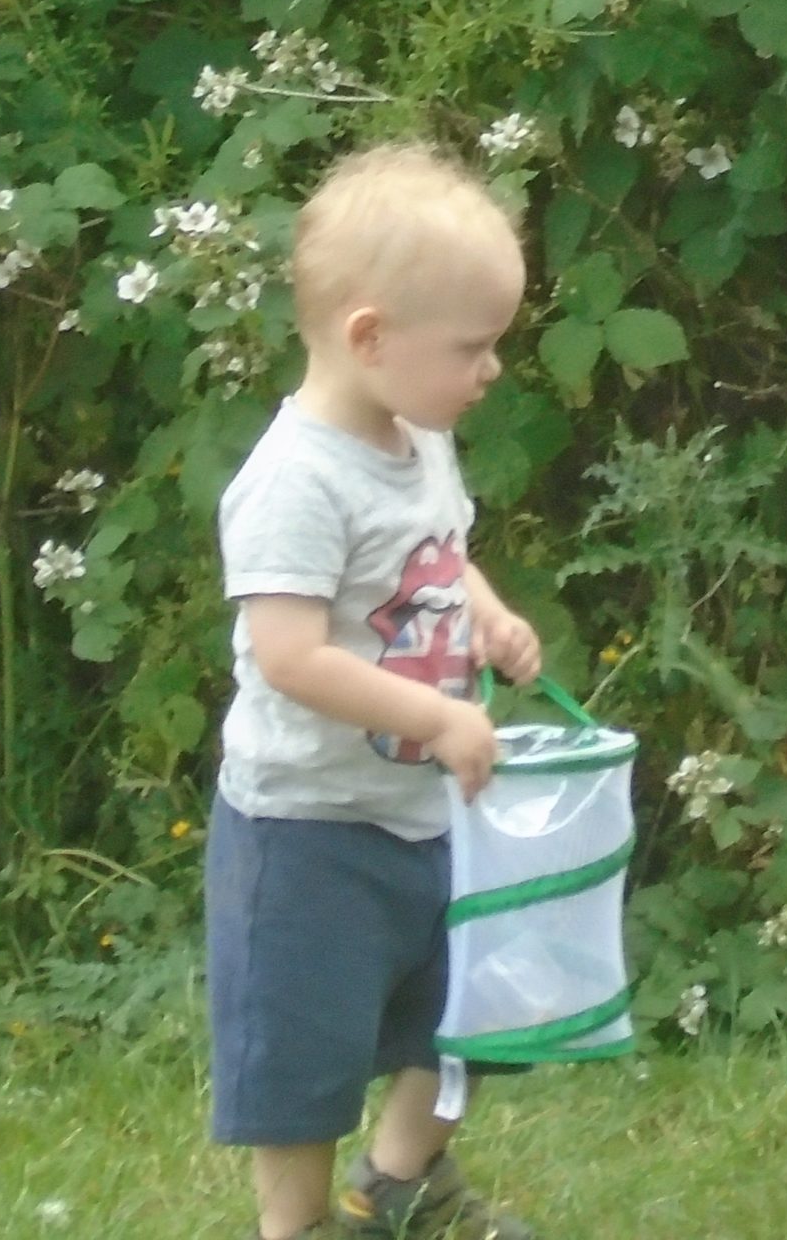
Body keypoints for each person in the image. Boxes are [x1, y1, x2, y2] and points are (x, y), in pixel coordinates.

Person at [207, 142, 546, 1240]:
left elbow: (438, 553)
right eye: (474, 347)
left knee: (468, 1014)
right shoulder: (294, 484)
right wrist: (440, 716)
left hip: (422, 814)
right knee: (299, 1066)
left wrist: (485, 614)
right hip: (307, 832)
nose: (491, 369)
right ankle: (297, 1225)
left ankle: (399, 1182)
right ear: (370, 337)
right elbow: (291, 656)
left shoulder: (419, 439)